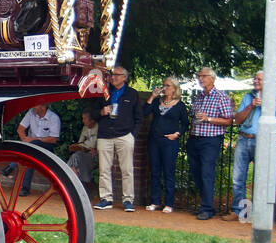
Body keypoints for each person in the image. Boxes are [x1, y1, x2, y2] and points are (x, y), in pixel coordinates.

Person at [229, 70, 276, 221]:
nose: (255, 81)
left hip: (262, 142)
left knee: (260, 179)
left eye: (259, 79)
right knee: (238, 178)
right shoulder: (248, 97)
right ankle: (239, 212)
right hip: (243, 139)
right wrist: (251, 107)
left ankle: (258, 213)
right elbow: (238, 120)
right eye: (255, 78)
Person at [90, 65, 141, 211]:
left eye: (117, 75)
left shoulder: (132, 94)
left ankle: (128, 200)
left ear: (124, 77)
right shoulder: (103, 93)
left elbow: (139, 117)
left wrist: (133, 135)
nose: (113, 77)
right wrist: (102, 111)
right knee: (104, 169)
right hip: (105, 135)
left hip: (124, 135)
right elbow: (92, 113)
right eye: (112, 75)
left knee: (127, 169)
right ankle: (106, 198)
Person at [188, 67, 233, 220]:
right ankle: (204, 205)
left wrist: (209, 119)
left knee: (207, 172)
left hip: (211, 139)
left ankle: (207, 208)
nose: (200, 79)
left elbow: (228, 120)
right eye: (199, 76)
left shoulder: (221, 97)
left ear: (212, 78)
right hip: (195, 138)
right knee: (196, 172)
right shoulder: (199, 97)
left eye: (204, 76)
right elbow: (193, 116)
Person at [144, 76, 188, 213]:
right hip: (155, 140)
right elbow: (145, 112)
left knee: (168, 172)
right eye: (164, 85)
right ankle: (155, 201)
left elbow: (186, 124)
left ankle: (169, 203)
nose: (165, 88)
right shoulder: (157, 101)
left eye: (168, 85)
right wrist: (152, 96)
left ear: (174, 88)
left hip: (170, 142)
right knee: (155, 171)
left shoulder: (180, 105)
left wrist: (177, 134)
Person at [16, 104, 61, 195]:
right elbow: (20, 129)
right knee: (30, 154)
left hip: (47, 146)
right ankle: (25, 188)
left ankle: (11, 166)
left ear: (43, 107)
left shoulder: (54, 118)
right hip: (31, 146)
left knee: (32, 148)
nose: (33, 106)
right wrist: (25, 140)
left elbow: (53, 139)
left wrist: (33, 140)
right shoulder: (31, 113)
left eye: (35, 105)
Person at [66, 111, 98, 187]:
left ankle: (71, 180)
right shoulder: (85, 128)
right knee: (75, 156)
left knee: (75, 157)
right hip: (83, 152)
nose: (83, 121)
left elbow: (97, 145)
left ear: (92, 120)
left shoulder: (98, 127)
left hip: (93, 155)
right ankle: (76, 180)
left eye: (85, 119)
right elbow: (80, 142)